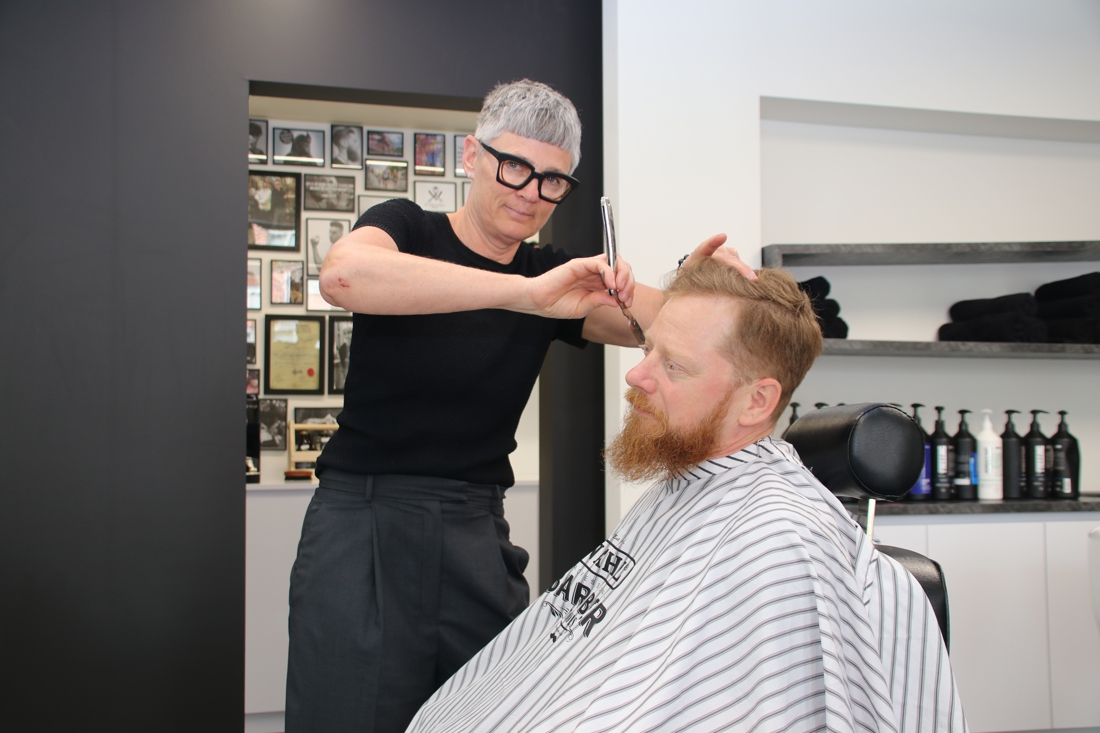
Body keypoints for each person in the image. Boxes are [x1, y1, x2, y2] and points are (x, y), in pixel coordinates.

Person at [289, 79, 752, 733]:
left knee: (494, 714)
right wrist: (524, 294)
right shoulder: (405, 227)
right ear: (473, 156)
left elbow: (666, 324)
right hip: (363, 517)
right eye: (514, 167)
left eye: (553, 181)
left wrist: (699, 283)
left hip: (475, 528)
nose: (531, 193)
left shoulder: (554, 274)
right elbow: (344, 277)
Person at [406, 259, 968, 733]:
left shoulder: (780, 539)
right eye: (650, 349)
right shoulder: (687, 489)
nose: (636, 377)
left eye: (672, 365)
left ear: (756, 402)